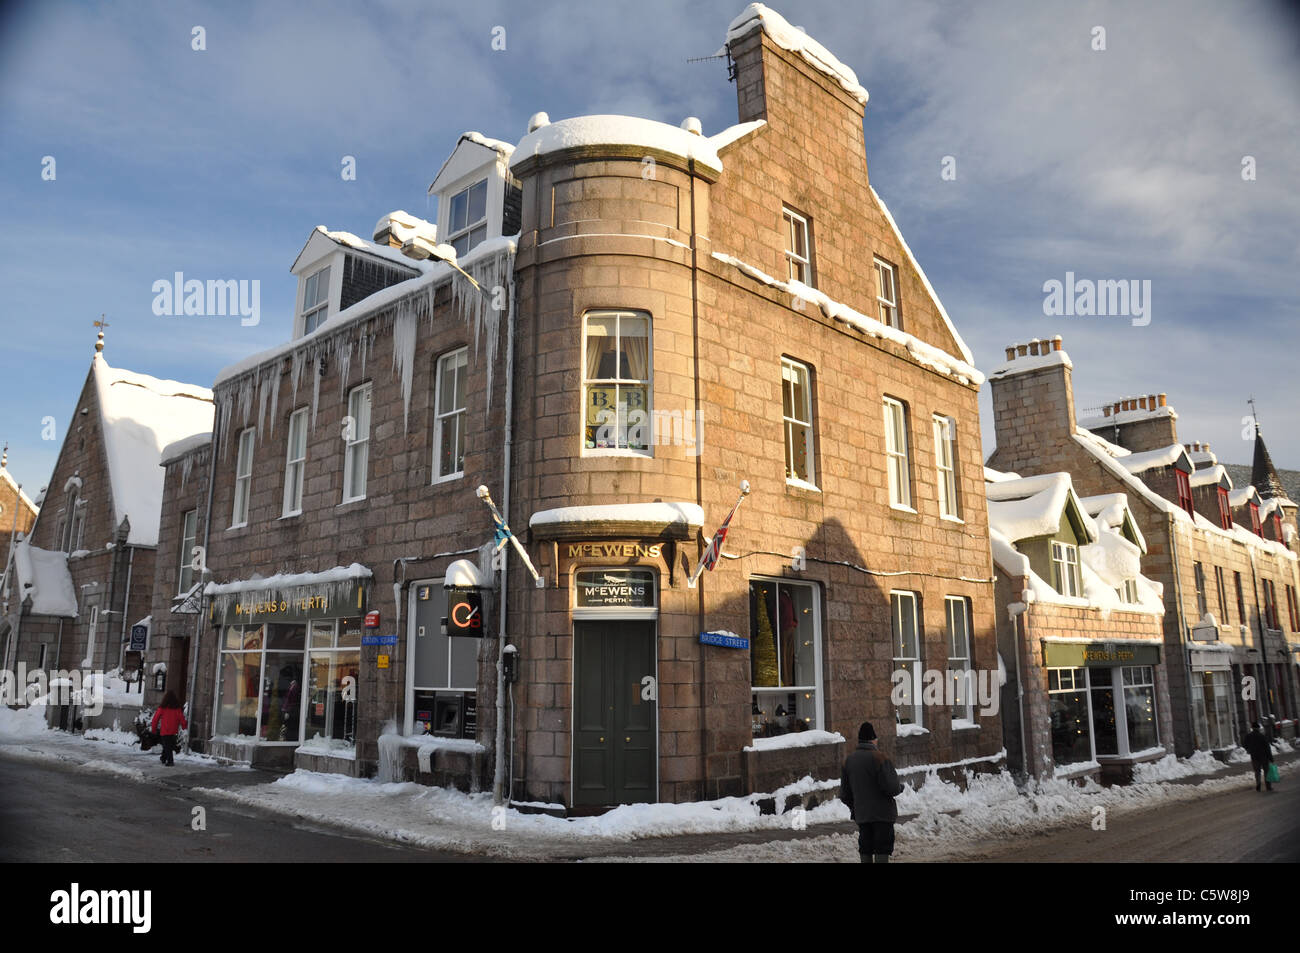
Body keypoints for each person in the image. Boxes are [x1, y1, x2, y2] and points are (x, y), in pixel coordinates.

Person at [840, 721, 906, 863]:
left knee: (866, 847)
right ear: (873, 739)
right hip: (882, 815)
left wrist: (856, 806)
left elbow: (844, 794)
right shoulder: (880, 758)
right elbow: (891, 787)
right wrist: (900, 788)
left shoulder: (848, 761)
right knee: (882, 848)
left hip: (863, 815)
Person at [150, 691, 188, 767]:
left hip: (165, 729)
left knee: (167, 745)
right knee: (167, 744)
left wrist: (153, 729)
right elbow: (182, 718)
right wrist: (184, 727)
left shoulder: (162, 708)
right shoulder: (177, 709)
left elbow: (155, 719)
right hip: (173, 730)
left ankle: (170, 761)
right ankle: (163, 758)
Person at [1242, 721, 1274, 792]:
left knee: (1257, 771)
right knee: (1266, 771)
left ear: (1252, 728)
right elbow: (1267, 747)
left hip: (1254, 757)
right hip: (1264, 756)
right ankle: (1268, 786)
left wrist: (1249, 750)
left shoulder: (1248, 736)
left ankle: (1258, 784)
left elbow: (1244, 745)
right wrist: (1270, 758)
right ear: (1258, 728)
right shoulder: (1262, 736)